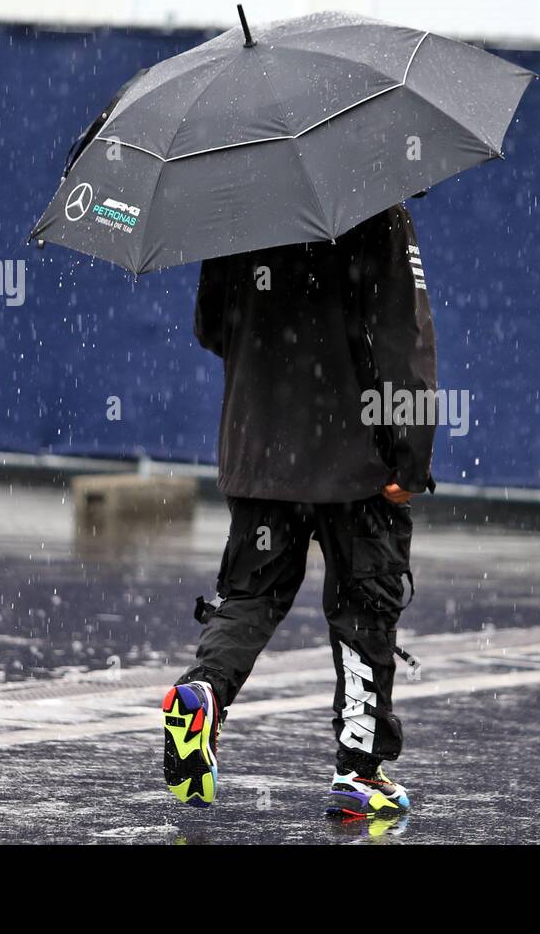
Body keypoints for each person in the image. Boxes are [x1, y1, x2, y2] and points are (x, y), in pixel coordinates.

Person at [162, 202, 437, 818]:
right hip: (357, 458)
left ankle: (203, 691)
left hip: (260, 448)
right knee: (365, 606)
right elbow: (403, 339)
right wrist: (410, 459)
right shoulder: (377, 208)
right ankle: (359, 772)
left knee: (251, 596)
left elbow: (211, 327)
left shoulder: (236, 201)